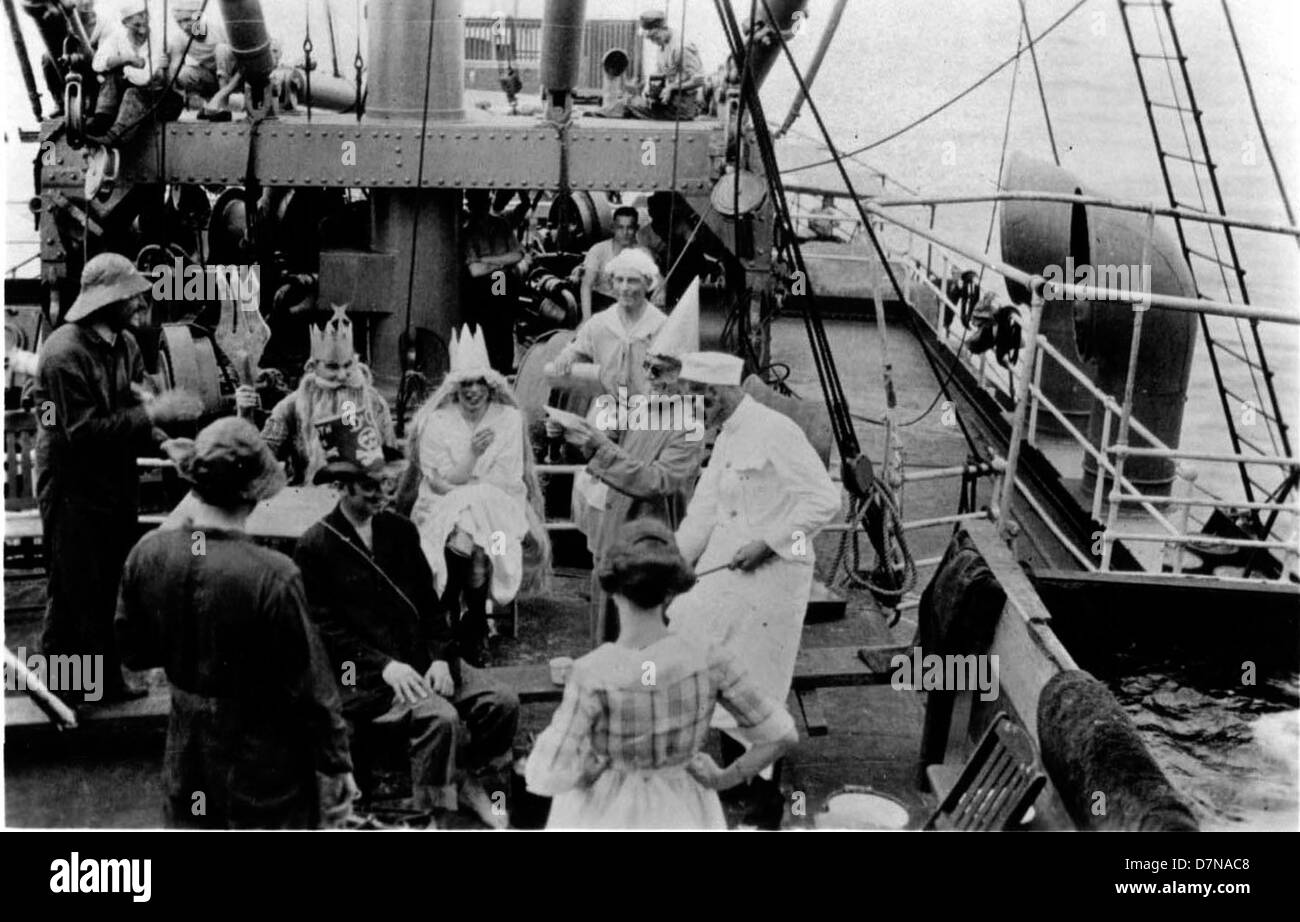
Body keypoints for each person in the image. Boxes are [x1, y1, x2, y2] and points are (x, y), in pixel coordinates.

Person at [115, 417, 356, 828]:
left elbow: (135, 652)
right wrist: (336, 766)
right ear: (255, 494)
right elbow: (311, 688)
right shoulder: (273, 575)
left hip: (186, 758)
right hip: (263, 768)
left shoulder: (147, 554)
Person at [294, 416, 520, 829]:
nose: (382, 494)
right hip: (361, 672)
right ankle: (431, 811)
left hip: (420, 655)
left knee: (500, 702)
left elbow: (430, 605)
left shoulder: (398, 530)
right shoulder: (315, 545)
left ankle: (474, 779)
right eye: (369, 488)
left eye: (384, 484)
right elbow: (325, 628)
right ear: (340, 487)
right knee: (440, 718)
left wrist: (438, 656)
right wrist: (384, 665)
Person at [525, 519, 796, 829]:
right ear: (670, 593)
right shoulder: (709, 658)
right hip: (683, 805)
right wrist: (724, 778)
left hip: (604, 810)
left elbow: (545, 772)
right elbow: (782, 735)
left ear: (613, 590)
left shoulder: (591, 672)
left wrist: (583, 773)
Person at [667, 351, 840, 816]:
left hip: (772, 576)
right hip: (728, 568)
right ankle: (733, 779)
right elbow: (704, 511)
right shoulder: (725, 436)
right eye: (694, 399)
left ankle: (766, 799)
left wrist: (769, 541)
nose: (700, 408)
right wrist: (670, 568)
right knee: (694, 634)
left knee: (758, 682)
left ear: (727, 392)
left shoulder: (774, 431)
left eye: (706, 398)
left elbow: (826, 500)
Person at [32, 252, 201, 705]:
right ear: (107, 299)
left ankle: (102, 682)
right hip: (71, 488)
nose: (140, 299)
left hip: (113, 484)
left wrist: (166, 441)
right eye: (131, 293)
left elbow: (133, 412)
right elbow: (82, 432)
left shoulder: (123, 344)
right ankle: (63, 689)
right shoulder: (63, 353)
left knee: (110, 584)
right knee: (72, 586)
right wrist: (151, 412)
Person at [550, 278, 705, 647]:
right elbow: (618, 450)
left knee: (643, 632)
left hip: (652, 538)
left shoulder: (690, 425)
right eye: (647, 366)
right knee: (607, 627)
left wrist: (599, 447)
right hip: (616, 529)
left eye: (657, 371)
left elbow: (655, 481)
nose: (647, 377)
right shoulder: (644, 407)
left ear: (682, 376)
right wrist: (574, 435)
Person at [407, 325, 550, 666]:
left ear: (491, 386)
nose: (472, 391)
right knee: (464, 532)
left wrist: (467, 484)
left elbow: (506, 480)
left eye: (478, 383)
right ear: (455, 389)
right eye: (465, 384)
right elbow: (438, 482)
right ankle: (473, 628)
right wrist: (471, 456)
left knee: (473, 533)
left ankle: (454, 623)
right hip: (440, 506)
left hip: (500, 507)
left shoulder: (509, 419)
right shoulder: (437, 421)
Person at [237, 303, 397, 486]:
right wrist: (245, 416)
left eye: (348, 365)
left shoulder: (374, 402)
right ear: (312, 368)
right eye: (332, 367)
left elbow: (392, 462)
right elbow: (259, 464)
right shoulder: (290, 407)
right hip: (308, 499)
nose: (342, 376)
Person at [551, 247, 666, 397]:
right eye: (619, 280)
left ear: (648, 283)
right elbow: (577, 350)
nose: (624, 288)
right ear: (612, 283)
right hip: (607, 408)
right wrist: (566, 358)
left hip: (647, 410)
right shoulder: (600, 323)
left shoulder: (661, 326)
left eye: (632, 281)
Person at [86, 0, 181, 147]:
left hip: (162, 99)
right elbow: (97, 64)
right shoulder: (117, 38)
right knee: (111, 78)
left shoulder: (160, 41)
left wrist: (125, 69)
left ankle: (116, 137)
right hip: (136, 94)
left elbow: (145, 79)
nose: (143, 28)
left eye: (145, 19)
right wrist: (126, 59)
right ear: (125, 24)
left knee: (132, 92)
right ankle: (101, 121)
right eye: (136, 25)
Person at [463, 189, 527, 373]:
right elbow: (475, 271)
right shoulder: (469, 233)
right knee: (490, 327)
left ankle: (502, 365)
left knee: (503, 324)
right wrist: (502, 262)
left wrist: (488, 260)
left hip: (499, 283)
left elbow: (518, 254)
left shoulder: (502, 225)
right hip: (483, 289)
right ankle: (493, 365)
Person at [598, 10, 704, 121]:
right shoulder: (663, 43)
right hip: (667, 103)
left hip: (679, 109)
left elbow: (699, 80)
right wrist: (648, 91)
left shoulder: (681, 48)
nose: (653, 42)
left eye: (654, 37)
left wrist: (672, 87)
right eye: (650, 39)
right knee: (630, 101)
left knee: (627, 104)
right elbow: (660, 72)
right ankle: (600, 113)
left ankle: (599, 114)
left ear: (663, 28)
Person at [161, 0, 240, 118]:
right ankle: (209, 104)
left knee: (221, 49)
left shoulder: (220, 30)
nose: (184, 26)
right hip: (211, 78)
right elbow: (174, 71)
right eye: (179, 22)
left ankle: (223, 106)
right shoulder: (180, 39)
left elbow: (244, 66)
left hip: (236, 77)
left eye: (187, 20)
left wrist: (222, 95)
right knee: (182, 73)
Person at [579, 206, 645, 321]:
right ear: (612, 228)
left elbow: (657, 282)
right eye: (620, 228)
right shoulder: (598, 250)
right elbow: (586, 285)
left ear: (636, 228)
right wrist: (587, 320)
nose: (625, 233)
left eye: (630, 228)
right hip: (601, 306)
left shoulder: (642, 253)